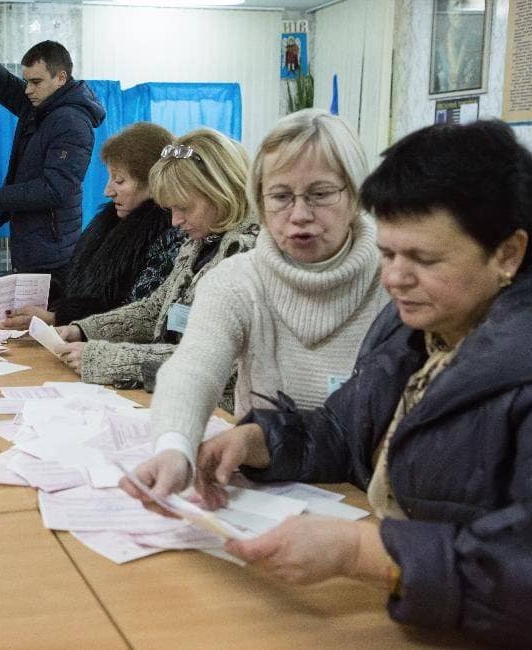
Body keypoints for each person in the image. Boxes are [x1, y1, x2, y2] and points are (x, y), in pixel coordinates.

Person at [184, 120, 532, 647]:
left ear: (507, 254)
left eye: (423, 259)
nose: (394, 278)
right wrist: (258, 440)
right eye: (388, 254)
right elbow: (347, 430)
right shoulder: (414, 327)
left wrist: (362, 553)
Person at [121, 109, 388, 496]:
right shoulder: (236, 280)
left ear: (356, 195)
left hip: (368, 494)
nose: (299, 215)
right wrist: (175, 447)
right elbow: (193, 368)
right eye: (280, 197)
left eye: (321, 194)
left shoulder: (398, 279)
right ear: (260, 203)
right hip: (267, 489)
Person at [54, 128, 259, 388]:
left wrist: (106, 358)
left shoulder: (250, 256)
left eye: (183, 208)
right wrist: (82, 330)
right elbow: (154, 309)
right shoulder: (200, 242)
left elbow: (221, 360)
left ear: (220, 192)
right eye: (170, 209)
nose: (175, 221)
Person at [0, 122, 183, 329]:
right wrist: (13, 298)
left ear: (154, 182)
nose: (107, 191)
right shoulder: (111, 222)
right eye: (110, 178)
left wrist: (58, 318)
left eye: (119, 181)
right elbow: (73, 285)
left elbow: (137, 313)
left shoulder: (170, 236)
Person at [0, 40, 105, 278]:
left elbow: (55, 189)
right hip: (36, 243)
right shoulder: (45, 106)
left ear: (61, 78)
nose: (28, 90)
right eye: (27, 81)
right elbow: (11, 88)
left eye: (36, 82)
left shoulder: (72, 123)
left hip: (52, 255)